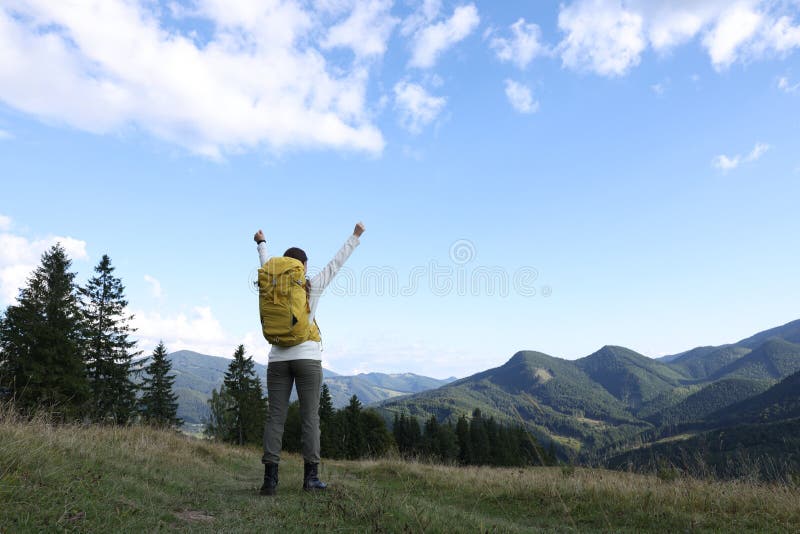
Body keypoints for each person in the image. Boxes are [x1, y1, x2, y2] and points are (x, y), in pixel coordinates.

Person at [254, 222, 365, 495]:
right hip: (307, 357)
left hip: (277, 358)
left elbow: (266, 262)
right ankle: (311, 478)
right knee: (309, 418)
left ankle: (270, 480)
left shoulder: (272, 284)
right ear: (302, 266)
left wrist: (261, 243)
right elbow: (336, 263)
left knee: (275, 417)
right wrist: (355, 236)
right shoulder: (310, 287)